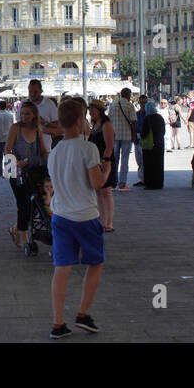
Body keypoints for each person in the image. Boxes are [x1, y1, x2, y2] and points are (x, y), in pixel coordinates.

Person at [47, 98, 108, 338]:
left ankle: (58, 322)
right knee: (95, 263)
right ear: (80, 120)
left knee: (62, 268)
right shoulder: (88, 148)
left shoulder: (55, 151)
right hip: (85, 215)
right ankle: (83, 313)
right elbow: (97, 183)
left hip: (60, 215)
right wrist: (107, 169)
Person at [5, 100, 49, 250]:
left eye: (27, 114)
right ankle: (24, 237)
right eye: (22, 113)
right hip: (17, 173)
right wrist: (16, 163)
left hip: (35, 171)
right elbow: (7, 150)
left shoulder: (38, 130)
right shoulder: (15, 128)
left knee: (36, 204)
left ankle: (17, 227)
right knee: (23, 204)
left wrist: (50, 163)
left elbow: (43, 150)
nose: (24, 116)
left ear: (34, 115)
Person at [87, 99, 117, 232]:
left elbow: (109, 146)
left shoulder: (106, 124)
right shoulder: (94, 124)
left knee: (107, 191)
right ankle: (102, 220)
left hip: (105, 161)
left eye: (92, 109)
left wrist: (104, 162)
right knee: (98, 191)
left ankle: (109, 222)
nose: (90, 112)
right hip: (96, 161)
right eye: (89, 109)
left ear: (99, 110)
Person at [138, 96, 165, 189]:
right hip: (160, 144)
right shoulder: (160, 118)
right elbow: (163, 131)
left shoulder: (147, 118)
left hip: (150, 145)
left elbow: (143, 133)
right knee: (159, 165)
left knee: (149, 165)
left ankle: (150, 184)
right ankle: (159, 184)